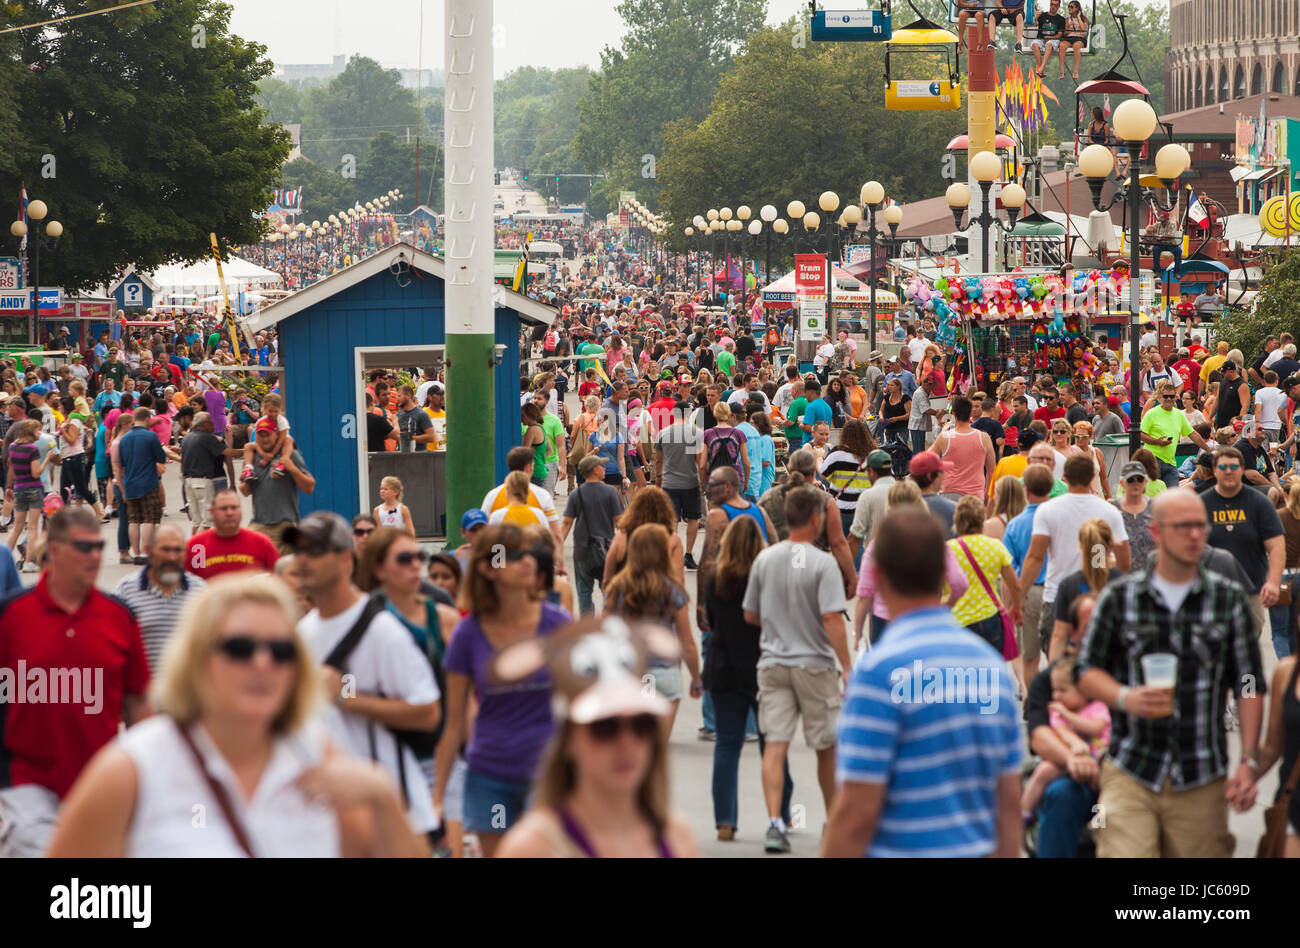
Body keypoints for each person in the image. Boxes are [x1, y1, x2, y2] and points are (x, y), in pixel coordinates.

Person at [47, 572, 427, 858]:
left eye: (280, 650)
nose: (262, 663)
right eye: (240, 647)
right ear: (198, 657)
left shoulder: (315, 756)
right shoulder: (133, 768)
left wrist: (383, 797)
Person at [823, 506, 1022, 857]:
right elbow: (1007, 805)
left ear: (880, 577)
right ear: (942, 573)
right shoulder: (992, 670)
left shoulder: (878, 674)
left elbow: (855, 813)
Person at [1078, 490, 1264, 857]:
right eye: (1183, 527)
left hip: (1200, 773)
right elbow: (1086, 670)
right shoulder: (1121, 598)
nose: (1195, 535)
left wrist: (1249, 760)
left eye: (1200, 526)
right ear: (1157, 532)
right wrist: (1124, 697)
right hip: (1131, 766)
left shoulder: (1227, 600)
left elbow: (1249, 684)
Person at [0, 507, 151, 857]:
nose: (95, 555)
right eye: (83, 547)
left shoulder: (120, 617)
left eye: (99, 546)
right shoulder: (11, 615)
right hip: (25, 782)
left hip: (99, 781)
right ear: (54, 549)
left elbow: (139, 703)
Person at [293, 512, 442, 842]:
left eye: (316, 551)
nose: (304, 560)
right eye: (299, 551)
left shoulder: (382, 629)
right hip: (333, 817)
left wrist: (347, 697)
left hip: (390, 813)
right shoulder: (302, 634)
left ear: (347, 560)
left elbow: (428, 713)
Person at [495, 618, 700, 858]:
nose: (627, 743)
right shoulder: (533, 847)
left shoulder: (677, 837)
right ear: (568, 738)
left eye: (642, 725)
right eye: (605, 727)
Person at [435, 523, 569, 857]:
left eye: (528, 553)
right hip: (490, 776)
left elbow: (583, 704)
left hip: (549, 776)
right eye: (513, 556)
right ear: (487, 568)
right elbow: (452, 724)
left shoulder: (558, 625)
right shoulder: (468, 634)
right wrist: (436, 797)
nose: (527, 561)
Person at [743, 486, 850, 854]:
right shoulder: (823, 564)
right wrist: (847, 666)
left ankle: (775, 823)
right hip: (815, 665)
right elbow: (833, 618)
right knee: (825, 747)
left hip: (773, 662)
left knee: (775, 744)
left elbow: (750, 614)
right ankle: (833, 820)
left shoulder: (765, 559)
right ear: (817, 519)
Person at [702, 515, 791, 841]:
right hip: (764, 665)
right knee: (773, 744)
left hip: (724, 666)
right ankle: (782, 812)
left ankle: (725, 819)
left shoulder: (716, 579)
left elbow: (711, 621)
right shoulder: (770, 578)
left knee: (727, 745)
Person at [1021, 453, 1131, 665]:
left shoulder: (1048, 510)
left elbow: (1035, 557)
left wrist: (1019, 596)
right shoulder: (1109, 511)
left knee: (1059, 658)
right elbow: (1124, 559)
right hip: (1097, 595)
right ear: (1092, 477)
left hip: (1056, 594)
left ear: (1065, 477)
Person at [603, 524, 701, 728]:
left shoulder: (617, 587)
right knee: (657, 750)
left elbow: (604, 632)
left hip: (630, 671)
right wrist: (696, 678)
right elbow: (687, 643)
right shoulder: (673, 590)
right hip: (664, 673)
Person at [855, 479, 968, 649]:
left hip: (885, 620)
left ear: (890, 505)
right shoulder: (935, 541)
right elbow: (959, 583)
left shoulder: (878, 544)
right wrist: (945, 607)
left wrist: (858, 632)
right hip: (927, 618)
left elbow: (865, 593)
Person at [1200, 445, 1284, 654]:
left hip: (1251, 590)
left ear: (1242, 469)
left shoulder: (1258, 503)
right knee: (1214, 650)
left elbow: (1276, 546)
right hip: (1212, 591)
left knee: (1246, 650)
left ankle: (1246, 687)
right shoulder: (1201, 504)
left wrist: (1273, 582)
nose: (1229, 471)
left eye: (1234, 467)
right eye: (1223, 467)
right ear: (1215, 470)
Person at [112, 523, 207, 675]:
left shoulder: (200, 591)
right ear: (149, 551)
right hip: (143, 692)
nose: (172, 557)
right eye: (165, 549)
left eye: (178, 550)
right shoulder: (126, 590)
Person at [948, 495, 1023, 658]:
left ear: (957, 521)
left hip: (958, 620)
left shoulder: (948, 550)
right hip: (989, 617)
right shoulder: (995, 546)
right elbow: (1014, 584)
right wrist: (1016, 606)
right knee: (991, 672)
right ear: (982, 519)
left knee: (963, 675)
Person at [240, 418, 316, 553]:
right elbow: (245, 492)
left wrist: (291, 468)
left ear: (276, 435)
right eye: (260, 435)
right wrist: (245, 480)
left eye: (268, 435)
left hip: (284, 524)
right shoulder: (251, 458)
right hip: (259, 523)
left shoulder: (289, 454)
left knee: (283, 569)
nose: (264, 439)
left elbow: (309, 487)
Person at [562, 454, 625, 615]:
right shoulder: (610, 492)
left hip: (582, 550)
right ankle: (608, 619)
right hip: (606, 550)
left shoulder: (576, 494)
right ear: (595, 470)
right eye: (602, 466)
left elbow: (567, 523)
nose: (604, 469)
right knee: (608, 589)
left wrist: (557, 546)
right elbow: (620, 521)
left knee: (583, 591)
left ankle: (586, 622)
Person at [185, 487, 280, 581]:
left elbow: (279, 581)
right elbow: (183, 585)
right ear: (212, 512)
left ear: (241, 510)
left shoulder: (262, 543)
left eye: (234, 508)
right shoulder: (195, 546)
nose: (229, 513)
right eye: (223, 508)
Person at [654, 401, 704, 569]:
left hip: (669, 482)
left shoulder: (663, 433)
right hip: (690, 482)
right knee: (693, 518)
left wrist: (658, 479)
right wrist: (702, 482)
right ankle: (688, 554)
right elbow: (699, 461)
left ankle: (672, 551)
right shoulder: (696, 433)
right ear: (688, 414)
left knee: (672, 519)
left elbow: (659, 460)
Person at [117, 406, 170, 564]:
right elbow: (160, 457)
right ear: (147, 418)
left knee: (133, 519)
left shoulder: (124, 438)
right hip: (148, 481)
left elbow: (123, 461)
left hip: (130, 482)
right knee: (149, 519)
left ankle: (137, 553)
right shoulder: (150, 436)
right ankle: (146, 553)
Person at [180, 412, 239, 535]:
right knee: (206, 523)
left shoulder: (187, 438)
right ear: (204, 424)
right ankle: (199, 549)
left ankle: (194, 551)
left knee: (196, 522)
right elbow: (230, 453)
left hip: (188, 482)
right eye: (210, 422)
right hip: (203, 481)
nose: (213, 425)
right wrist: (250, 449)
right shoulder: (207, 438)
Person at [818, 418, 876, 538]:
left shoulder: (836, 454)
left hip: (840, 507)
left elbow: (823, 473)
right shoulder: (873, 454)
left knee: (841, 542)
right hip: (864, 507)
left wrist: (819, 459)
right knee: (860, 543)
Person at [932, 395, 996, 501]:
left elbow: (926, 461)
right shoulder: (983, 437)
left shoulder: (945, 437)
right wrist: (987, 492)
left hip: (950, 491)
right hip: (975, 493)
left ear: (954, 414)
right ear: (970, 413)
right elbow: (991, 469)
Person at [1112, 460, 1156, 572]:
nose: (1135, 483)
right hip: (1120, 578)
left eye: (1139, 479)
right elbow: (1098, 545)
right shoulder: (1112, 509)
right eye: (1130, 480)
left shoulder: (1156, 508)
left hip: (1149, 577)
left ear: (1145, 482)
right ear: (1122, 483)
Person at [908, 450, 958, 538]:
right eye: (941, 472)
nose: (944, 476)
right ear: (930, 476)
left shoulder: (900, 509)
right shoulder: (953, 509)